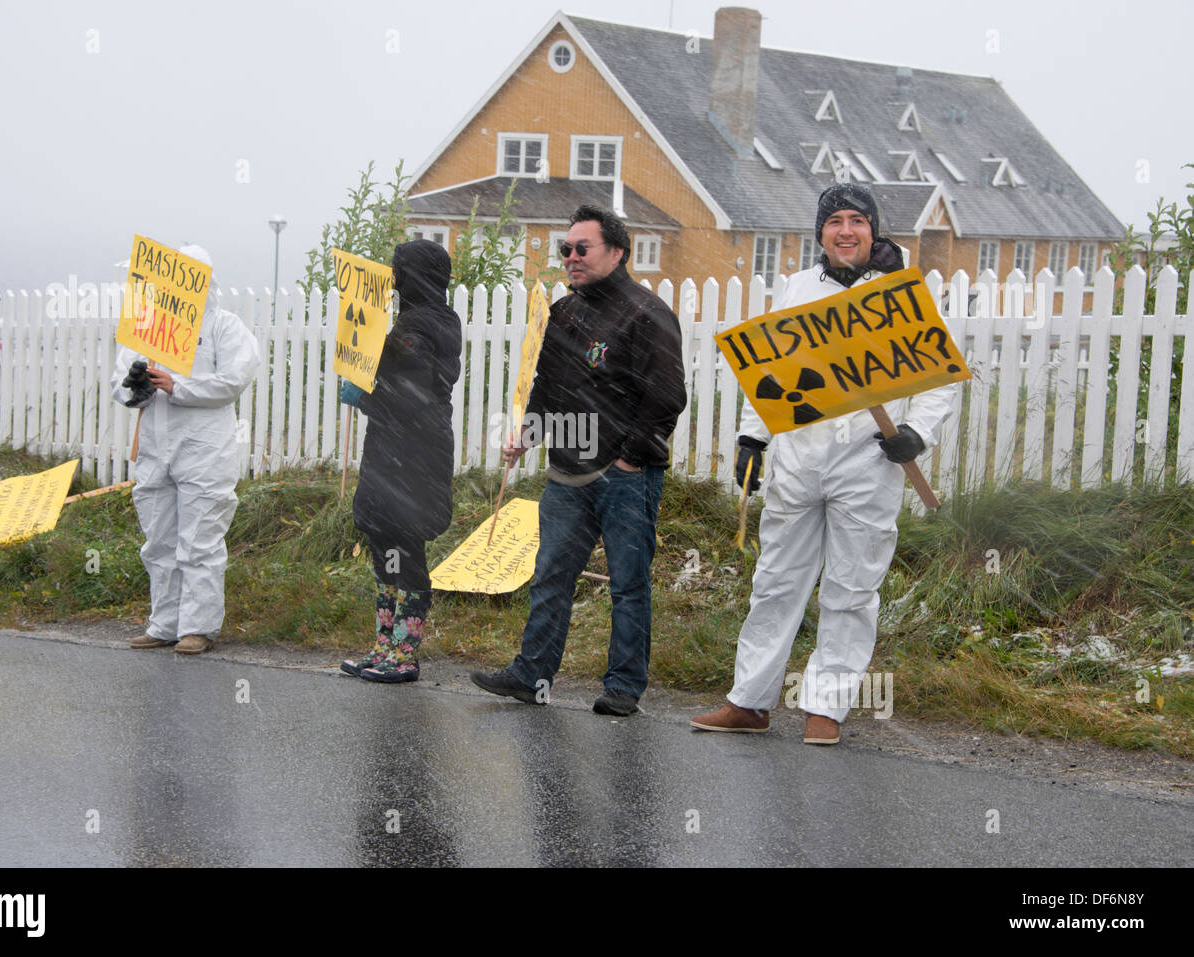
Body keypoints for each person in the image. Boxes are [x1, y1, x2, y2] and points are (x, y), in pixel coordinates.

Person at [690, 183, 959, 743]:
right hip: (800, 457)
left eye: (856, 221)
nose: (845, 230)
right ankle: (750, 700)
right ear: (820, 232)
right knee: (776, 581)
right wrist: (752, 437)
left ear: (872, 230)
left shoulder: (901, 293)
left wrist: (916, 431)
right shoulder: (796, 289)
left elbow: (939, 372)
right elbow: (768, 367)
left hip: (867, 459)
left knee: (852, 587)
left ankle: (825, 709)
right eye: (834, 220)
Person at [470, 204, 687, 717]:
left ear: (616, 251)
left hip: (625, 477)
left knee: (628, 584)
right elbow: (548, 386)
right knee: (550, 576)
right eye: (564, 249)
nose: (570, 257)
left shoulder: (647, 313)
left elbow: (668, 397)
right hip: (566, 473)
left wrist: (631, 460)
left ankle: (622, 688)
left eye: (581, 248)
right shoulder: (564, 313)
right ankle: (531, 675)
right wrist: (528, 432)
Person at [114, 245, 260, 654]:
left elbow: (235, 378)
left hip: (203, 449)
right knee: (158, 539)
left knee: (199, 539)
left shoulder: (222, 326)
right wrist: (134, 387)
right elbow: (119, 381)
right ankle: (164, 623)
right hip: (156, 447)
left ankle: (198, 627)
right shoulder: (147, 327)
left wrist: (180, 387)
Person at [339, 239, 462, 683]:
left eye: (398, 270)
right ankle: (383, 645)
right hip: (393, 449)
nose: (391, 279)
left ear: (414, 276)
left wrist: (365, 389)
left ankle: (405, 654)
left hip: (414, 453)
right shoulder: (420, 319)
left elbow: (411, 395)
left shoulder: (422, 324)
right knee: (383, 543)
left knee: (405, 549)